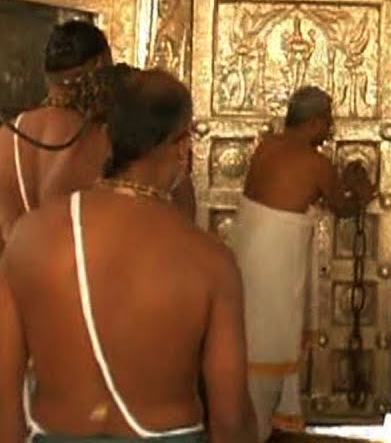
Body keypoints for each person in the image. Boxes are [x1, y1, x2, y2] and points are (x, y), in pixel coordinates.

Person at [0, 69, 256, 443]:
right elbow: (230, 420)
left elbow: (4, 390)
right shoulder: (209, 261)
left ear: (106, 136)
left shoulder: (31, 237)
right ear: (182, 147)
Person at [232, 85, 374, 442]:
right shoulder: (315, 162)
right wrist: (361, 188)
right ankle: (257, 430)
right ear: (312, 123)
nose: (331, 128)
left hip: (249, 257)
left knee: (252, 333)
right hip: (275, 265)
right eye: (327, 120)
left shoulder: (267, 147)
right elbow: (343, 207)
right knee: (269, 338)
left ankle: (256, 422)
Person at [0, 22, 197, 253]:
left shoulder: (9, 134)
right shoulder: (107, 136)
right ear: (101, 63)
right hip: (87, 279)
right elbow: (183, 220)